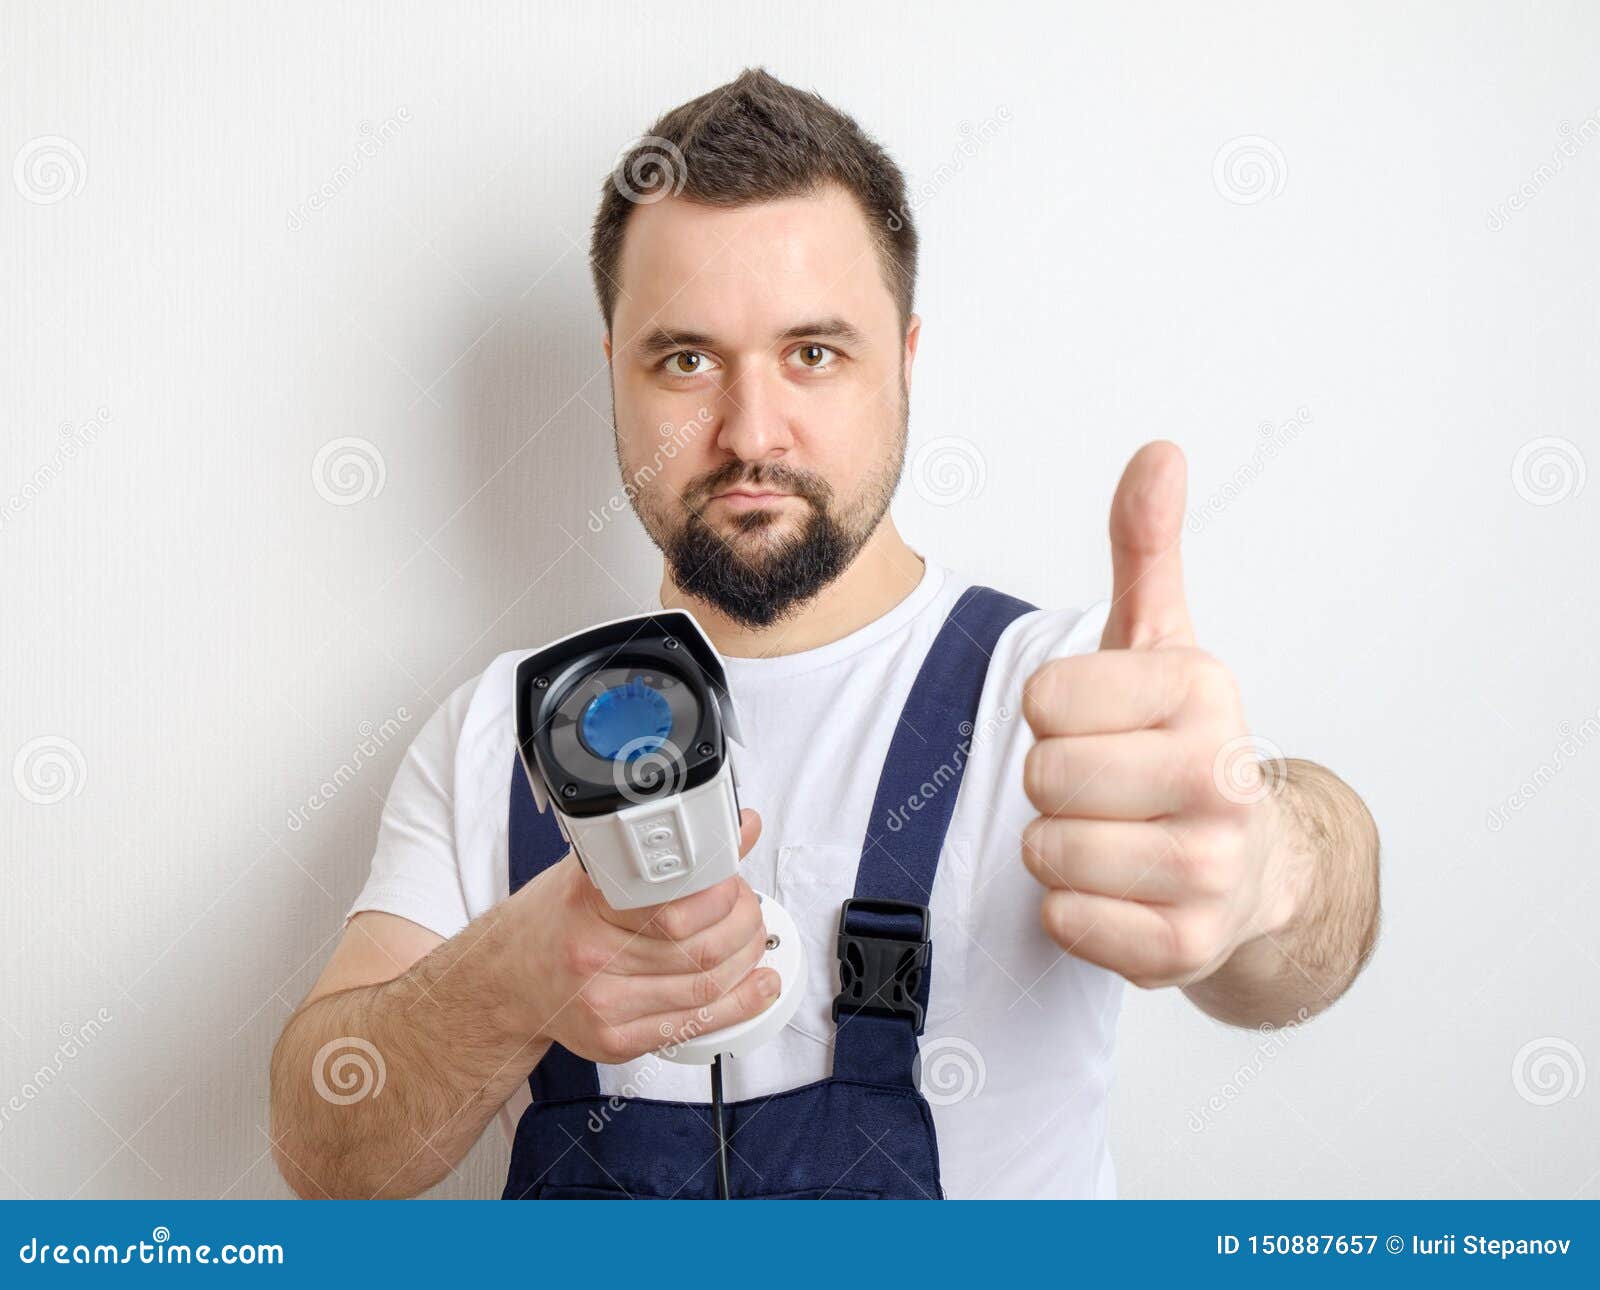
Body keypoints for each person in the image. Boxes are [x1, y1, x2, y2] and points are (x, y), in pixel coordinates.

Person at [269, 68, 1380, 1200]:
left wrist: (1268, 873)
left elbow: (1305, 953)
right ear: (615, 371)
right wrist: (504, 984)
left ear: (903, 359)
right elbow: (326, 1157)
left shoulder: (1063, 696)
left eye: (813, 353)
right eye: (686, 359)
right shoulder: (500, 735)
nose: (751, 432)